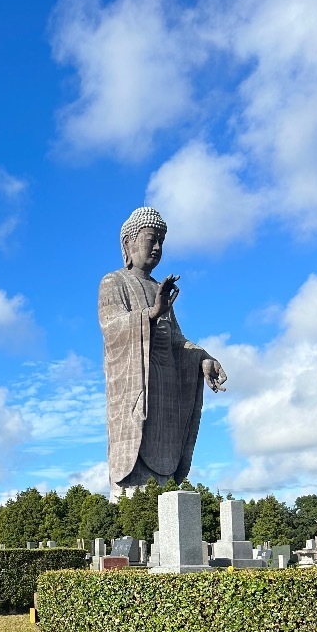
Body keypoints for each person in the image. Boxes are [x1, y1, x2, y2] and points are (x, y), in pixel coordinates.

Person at [99, 206, 227, 500]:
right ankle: (133, 498)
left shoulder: (159, 287)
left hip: (166, 384)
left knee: (165, 459)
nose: (156, 247)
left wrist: (203, 357)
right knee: (138, 467)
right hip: (136, 385)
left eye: (161, 241)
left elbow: (176, 339)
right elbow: (111, 327)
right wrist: (151, 314)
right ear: (129, 244)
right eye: (150, 239)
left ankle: (165, 488)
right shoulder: (114, 281)